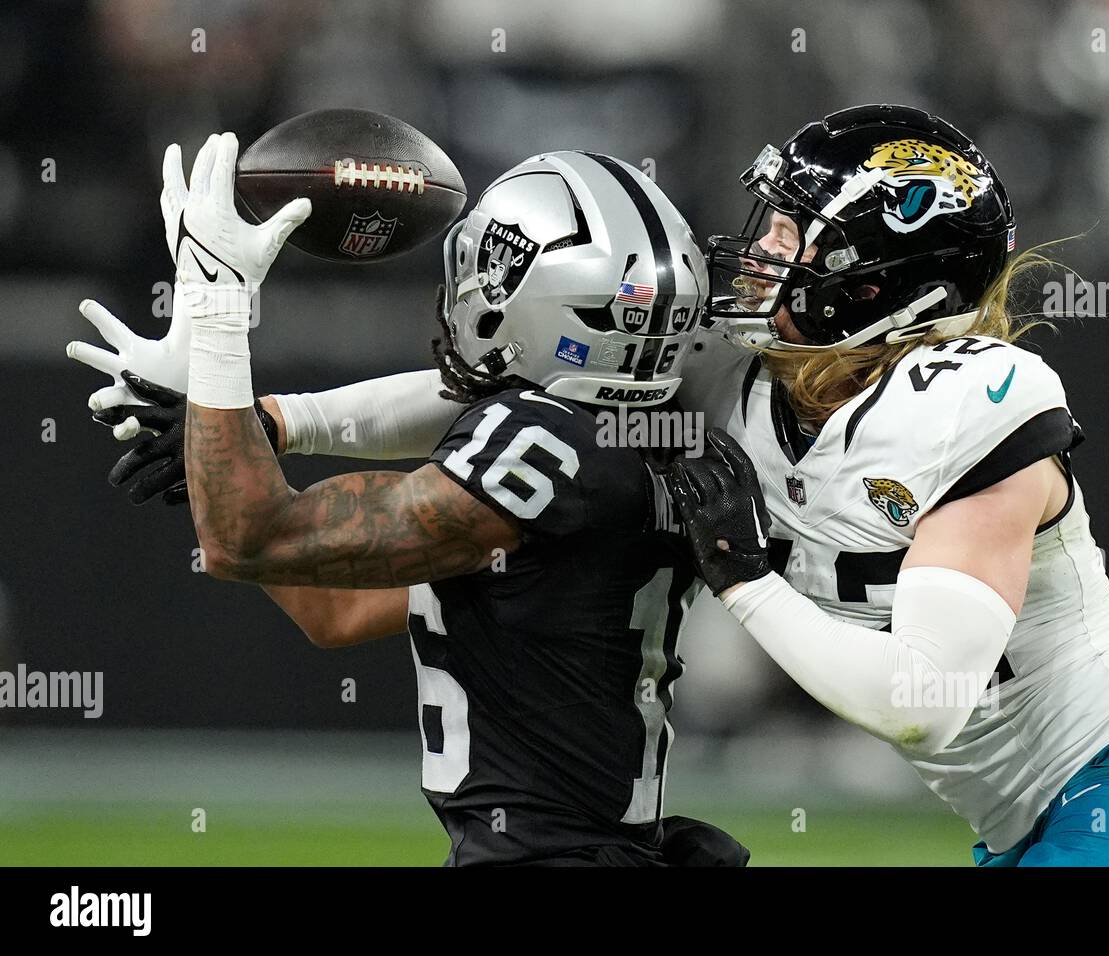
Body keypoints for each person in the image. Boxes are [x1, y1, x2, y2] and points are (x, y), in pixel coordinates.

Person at [68, 133, 746, 867]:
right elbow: (335, 606)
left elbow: (249, 538)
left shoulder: (547, 446)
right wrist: (217, 438)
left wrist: (217, 312)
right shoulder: (644, 436)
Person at [665, 104, 1109, 866]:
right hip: (1027, 828)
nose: (760, 250)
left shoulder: (972, 399)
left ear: (868, 278)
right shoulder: (735, 386)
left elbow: (921, 702)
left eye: (790, 233)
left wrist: (743, 578)